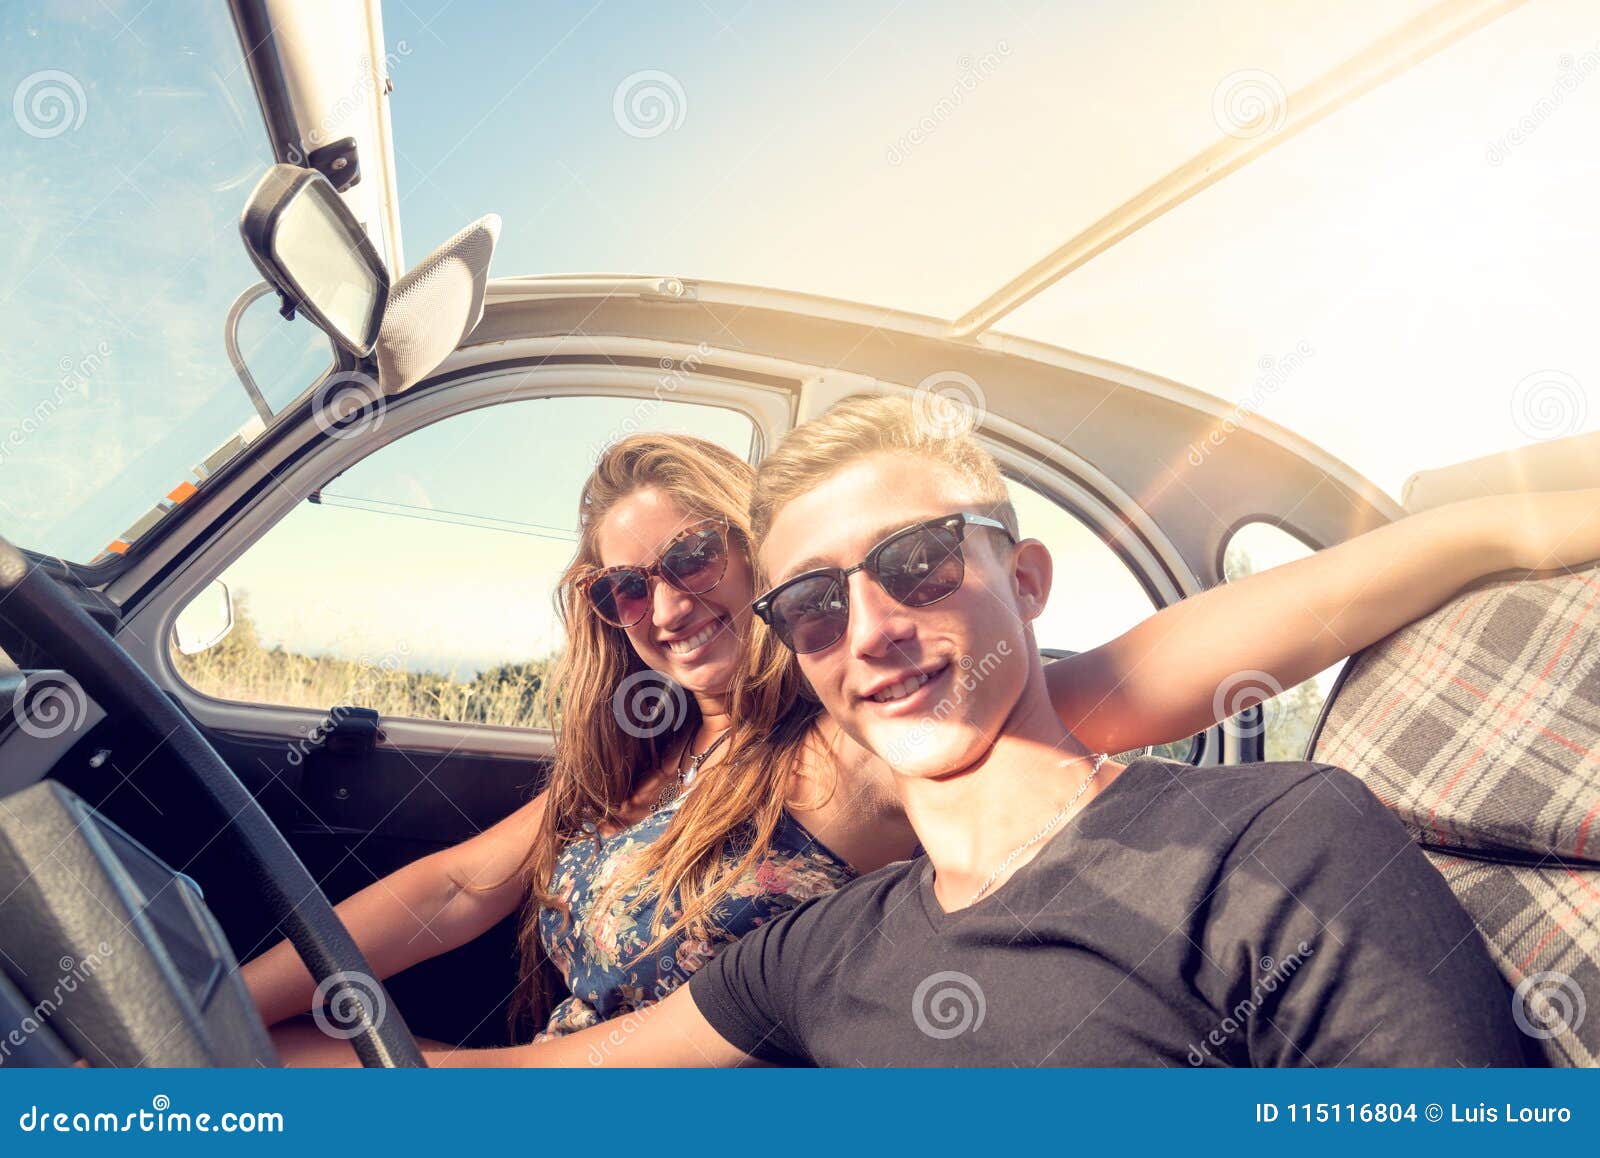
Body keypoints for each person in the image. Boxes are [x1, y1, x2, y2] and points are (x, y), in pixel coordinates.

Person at [253, 404, 1600, 1064]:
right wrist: (233, 1005)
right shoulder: (650, 761)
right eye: (624, 585)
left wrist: (1503, 529)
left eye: (697, 555)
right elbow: (453, 889)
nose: (666, 602)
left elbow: (1245, 633)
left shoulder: (870, 737)